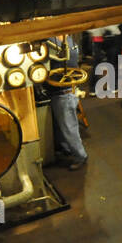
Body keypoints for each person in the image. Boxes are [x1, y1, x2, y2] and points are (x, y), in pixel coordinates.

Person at [46, 33, 87, 171]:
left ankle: (80, 156)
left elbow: (67, 63)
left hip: (63, 92)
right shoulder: (68, 38)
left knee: (69, 128)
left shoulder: (51, 42)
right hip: (67, 89)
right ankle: (66, 148)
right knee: (61, 125)